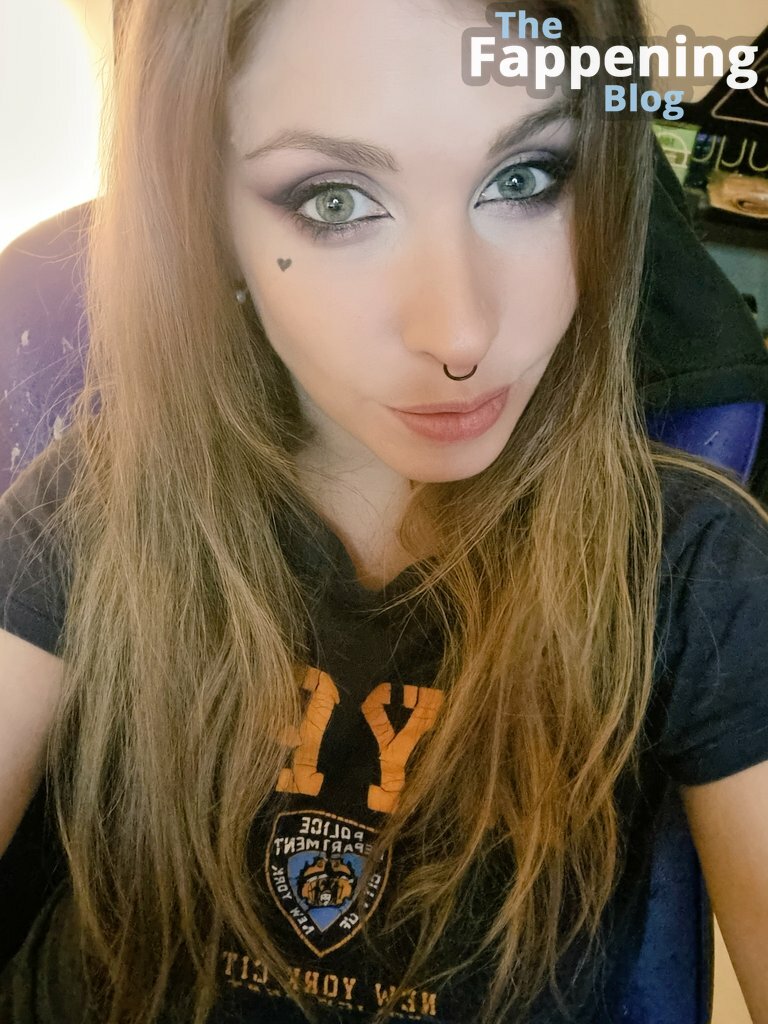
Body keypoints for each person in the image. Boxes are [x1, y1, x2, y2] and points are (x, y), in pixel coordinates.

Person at [1, 1, 767, 1022]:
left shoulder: (688, 566)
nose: (460, 333)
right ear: (207, 219)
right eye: (335, 201)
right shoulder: (94, 501)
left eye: (526, 178)